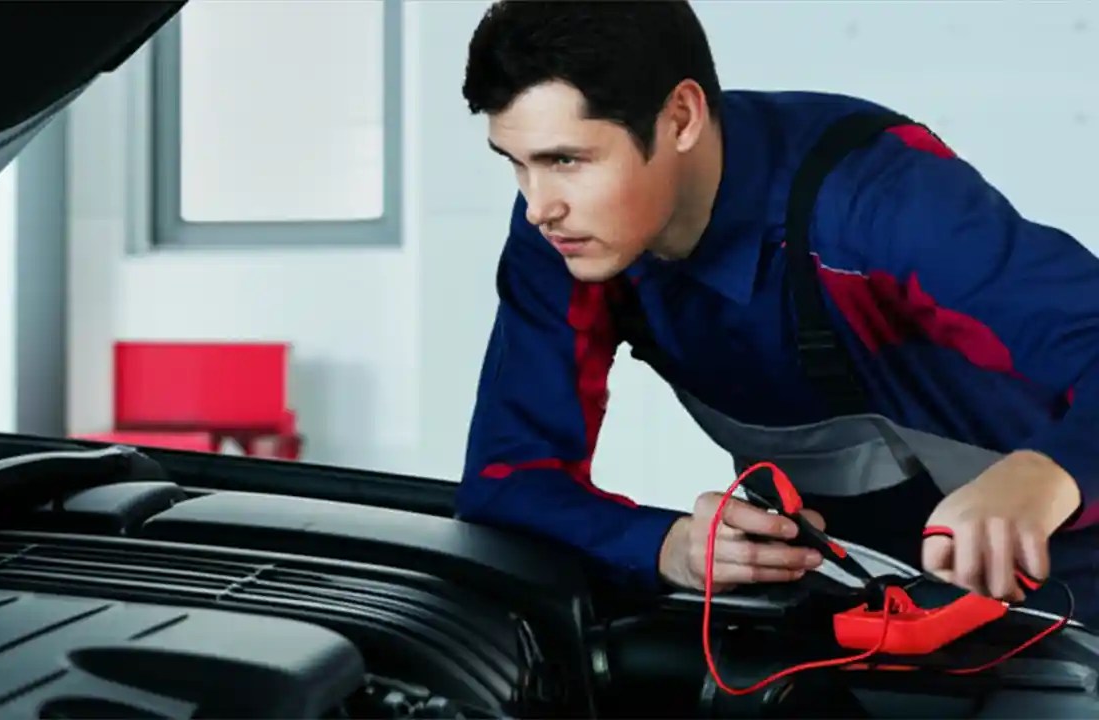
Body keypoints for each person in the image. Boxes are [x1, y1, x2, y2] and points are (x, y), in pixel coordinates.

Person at [455, 0, 1099, 625]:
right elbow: (508, 482)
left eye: (566, 160)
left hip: (1067, 589)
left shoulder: (880, 203)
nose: (539, 206)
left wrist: (1049, 474)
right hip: (860, 606)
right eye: (517, 164)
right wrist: (666, 546)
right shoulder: (568, 237)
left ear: (680, 117)